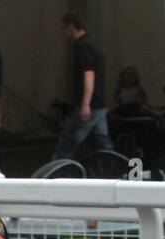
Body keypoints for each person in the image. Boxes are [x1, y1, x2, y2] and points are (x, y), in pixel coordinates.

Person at [53, 12, 113, 159]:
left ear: (71, 26)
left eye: (65, 27)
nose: (64, 31)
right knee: (103, 141)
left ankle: (57, 168)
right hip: (99, 103)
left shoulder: (82, 46)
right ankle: (116, 167)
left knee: (69, 140)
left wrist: (85, 104)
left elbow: (88, 75)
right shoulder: (93, 45)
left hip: (90, 104)